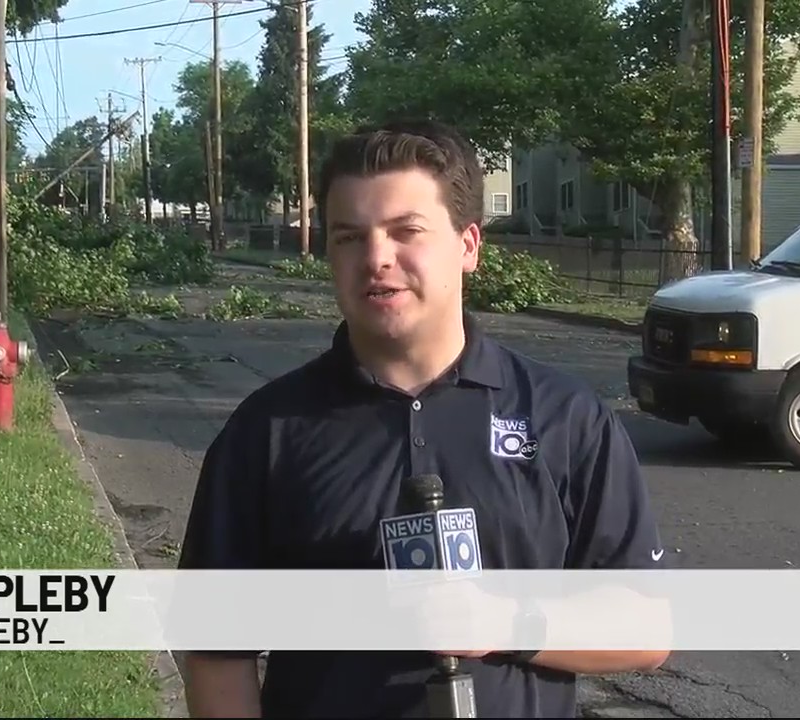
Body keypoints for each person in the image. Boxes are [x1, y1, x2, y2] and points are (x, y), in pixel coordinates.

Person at [176, 119, 670, 718]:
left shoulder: (565, 418)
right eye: (349, 238)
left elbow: (645, 625)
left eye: (405, 231)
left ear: (468, 245)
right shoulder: (267, 432)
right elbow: (216, 652)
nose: (377, 258)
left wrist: (509, 621)